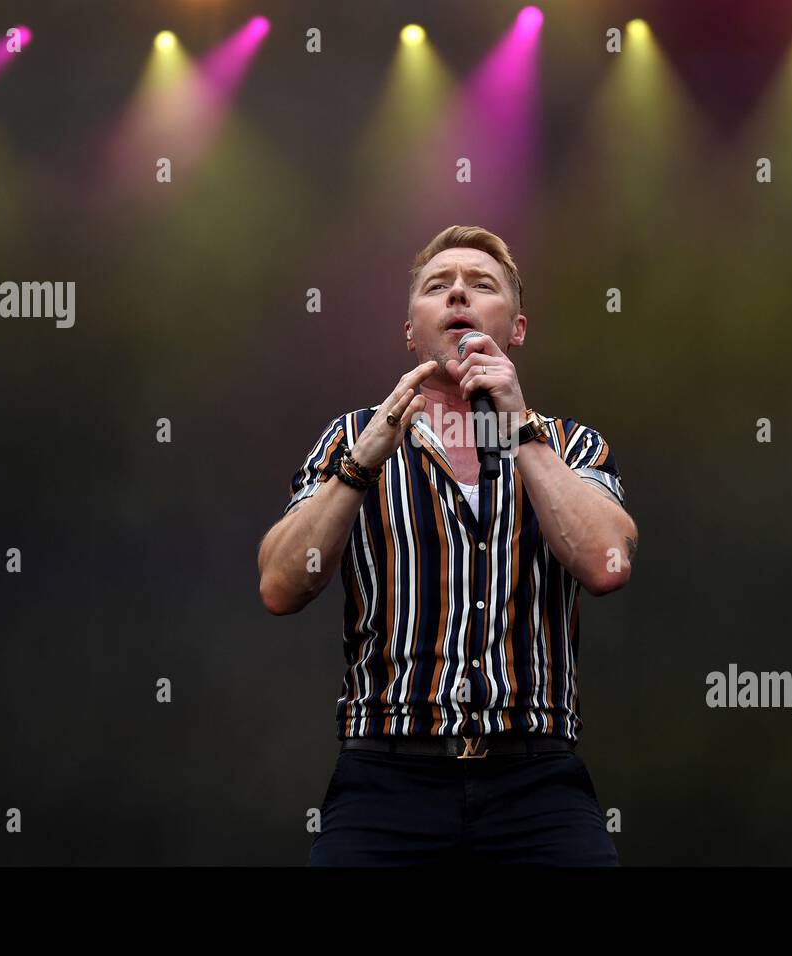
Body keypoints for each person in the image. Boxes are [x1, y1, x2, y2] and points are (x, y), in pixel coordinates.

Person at [257, 225, 638, 865]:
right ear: (412, 331)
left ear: (516, 328)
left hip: (535, 777)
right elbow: (280, 585)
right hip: (386, 778)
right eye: (438, 287)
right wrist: (361, 464)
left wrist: (518, 428)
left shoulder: (570, 447)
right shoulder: (352, 439)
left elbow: (606, 564)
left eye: (481, 285)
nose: (458, 293)